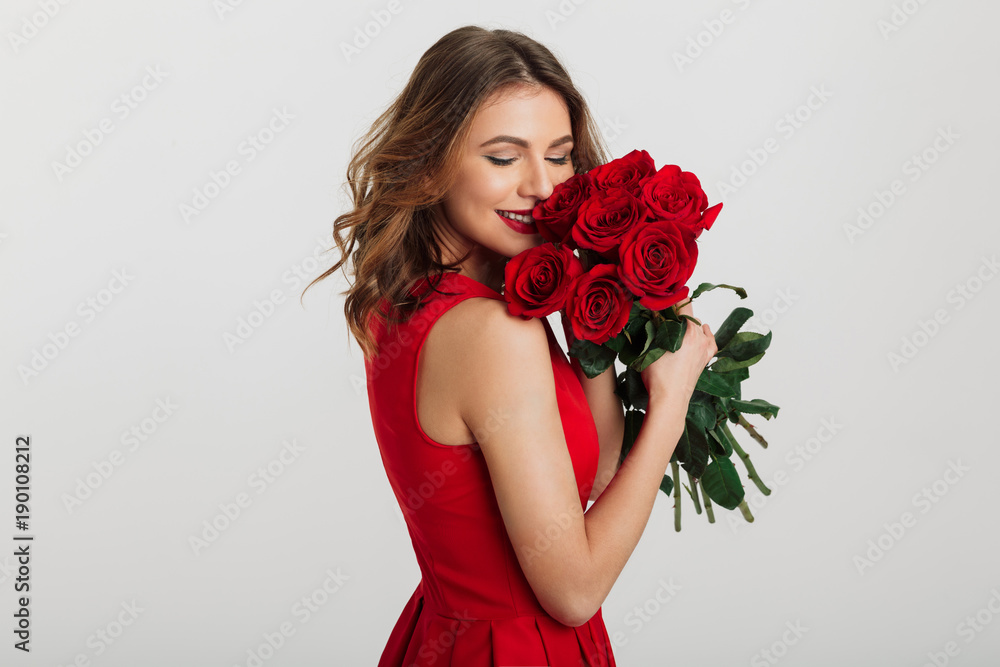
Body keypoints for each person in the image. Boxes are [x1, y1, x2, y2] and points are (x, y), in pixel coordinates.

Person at [303, 25, 717, 666]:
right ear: (431, 162)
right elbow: (575, 592)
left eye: (559, 155)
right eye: (503, 158)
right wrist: (671, 400)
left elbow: (593, 477)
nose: (544, 187)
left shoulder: (407, 301)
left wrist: (593, 326)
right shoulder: (492, 333)